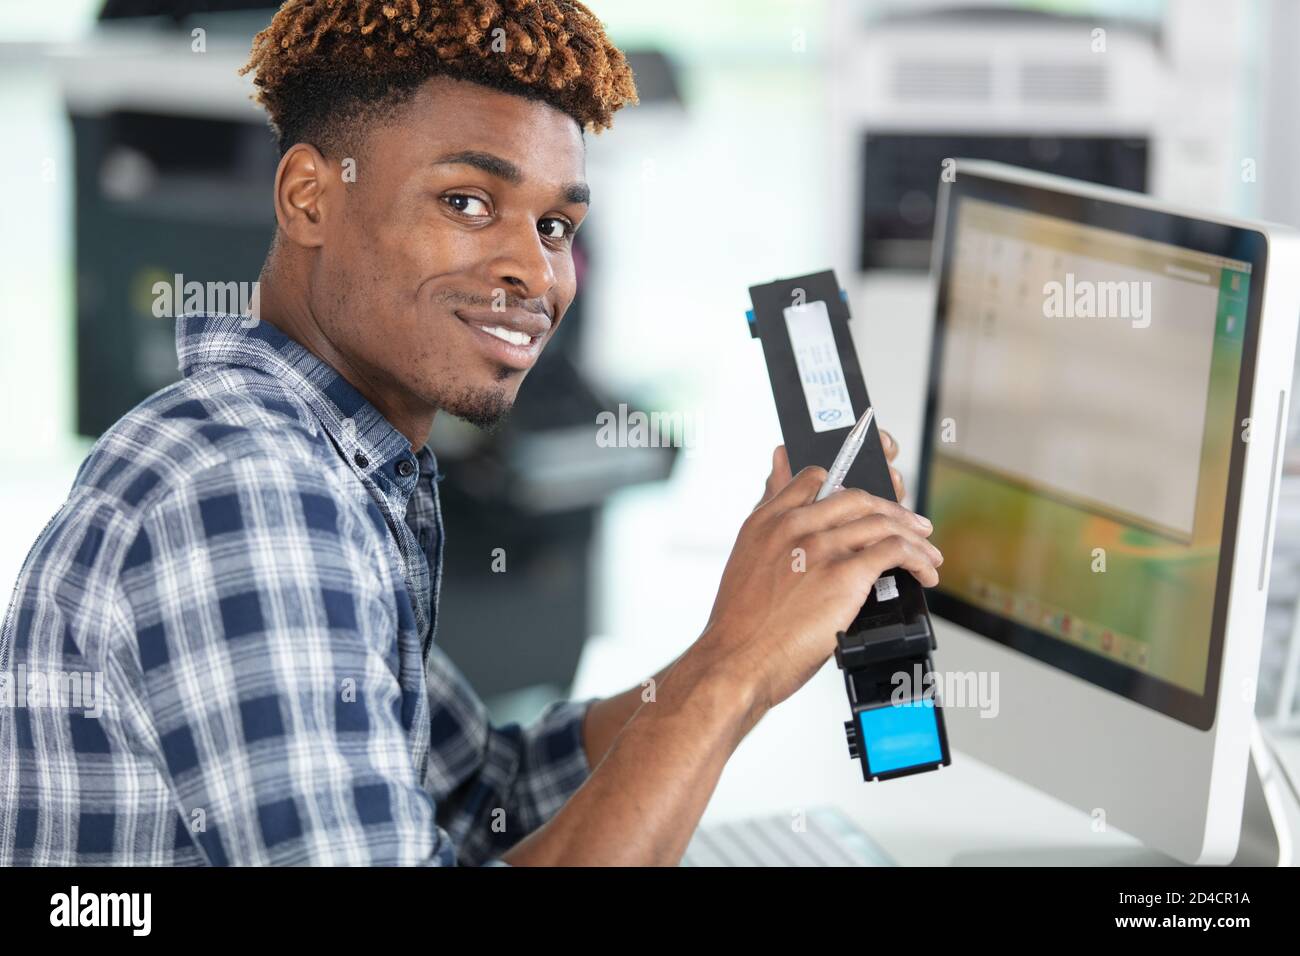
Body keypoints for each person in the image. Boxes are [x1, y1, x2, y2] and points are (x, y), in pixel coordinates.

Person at [0, 0, 941, 866]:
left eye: (558, 225)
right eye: (465, 203)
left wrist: (745, 639)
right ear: (307, 197)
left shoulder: (342, 465)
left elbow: (485, 790)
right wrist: (732, 674)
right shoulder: (246, 492)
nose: (533, 273)